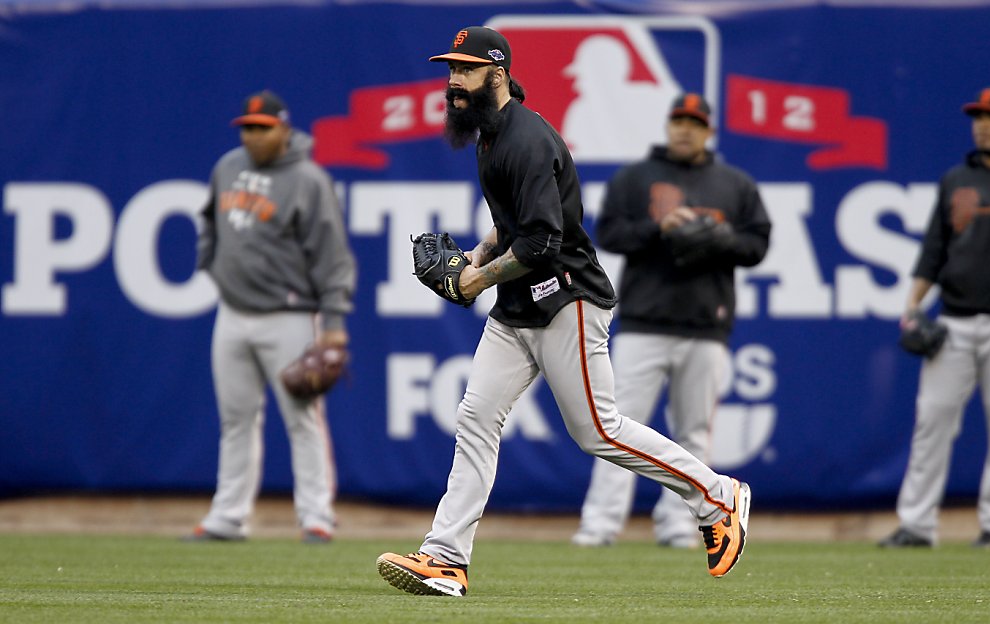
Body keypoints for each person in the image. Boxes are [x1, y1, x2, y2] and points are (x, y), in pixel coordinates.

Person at [375, 26, 751, 598]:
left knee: (598, 431)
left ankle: (716, 495)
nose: (452, 80)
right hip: (519, 305)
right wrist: (476, 254)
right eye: (450, 68)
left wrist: (473, 277)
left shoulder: (525, 140)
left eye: (464, 69)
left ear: (496, 74)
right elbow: (512, 225)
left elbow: (542, 244)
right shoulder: (490, 135)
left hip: (565, 299)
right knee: (476, 417)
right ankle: (445, 559)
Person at [572, 93, 771, 549]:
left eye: (694, 122)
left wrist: (719, 237)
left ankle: (682, 525)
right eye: (678, 120)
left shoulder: (733, 184)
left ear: (708, 130)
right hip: (645, 320)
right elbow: (609, 234)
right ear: (667, 125)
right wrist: (659, 229)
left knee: (694, 431)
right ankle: (600, 524)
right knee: (616, 428)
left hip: (706, 323)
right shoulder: (636, 178)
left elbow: (757, 244)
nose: (685, 128)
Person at [184, 90, 357, 544]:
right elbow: (208, 221)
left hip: (289, 313)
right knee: (235, 418)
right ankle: (227, 516)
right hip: (233, 312)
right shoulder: (227, 167)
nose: (252, 135)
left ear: (284, 129)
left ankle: (316, 516)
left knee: (302, 416)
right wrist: (212, 265)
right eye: (247, 127)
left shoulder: (307, 179)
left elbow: (333, 258)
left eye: (262, 128)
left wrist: (334, 325)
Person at [879, 86, 990, 550]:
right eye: (978, 116)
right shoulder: (956, 178)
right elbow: (933, 252)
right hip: (955, 320)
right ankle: (917, 525)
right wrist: (912, 307)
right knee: (932, 421)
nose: (983, 124)